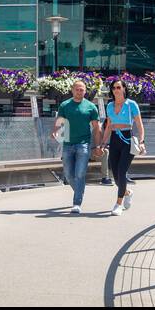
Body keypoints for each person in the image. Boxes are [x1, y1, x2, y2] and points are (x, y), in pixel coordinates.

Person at [50, 78, 101, 213]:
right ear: (72, 90)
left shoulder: (91, 107)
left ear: (85, 91)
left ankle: (77, 202)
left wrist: (97, 145)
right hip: (67, 144)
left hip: (83, 144)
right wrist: (54, 131)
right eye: (77, 89)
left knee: (80, 173)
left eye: (82, 90)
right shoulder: (65, 105)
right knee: (68, 174)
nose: (79, 92)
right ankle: (80, 190)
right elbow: (60, 121)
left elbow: (96, 128)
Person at [99, 79, 145, 216]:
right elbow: (108, 126)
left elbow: (139, 124)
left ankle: (118, 204)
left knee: (121, 171)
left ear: (124, 89)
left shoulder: (131, 105)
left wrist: (142, 141)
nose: (116, 90)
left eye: (119, 87)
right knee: (115, 173)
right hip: (114, 139)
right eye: (114, 88)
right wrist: (103, 142)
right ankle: (127, 192)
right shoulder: (109, 106)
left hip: (127, 139)